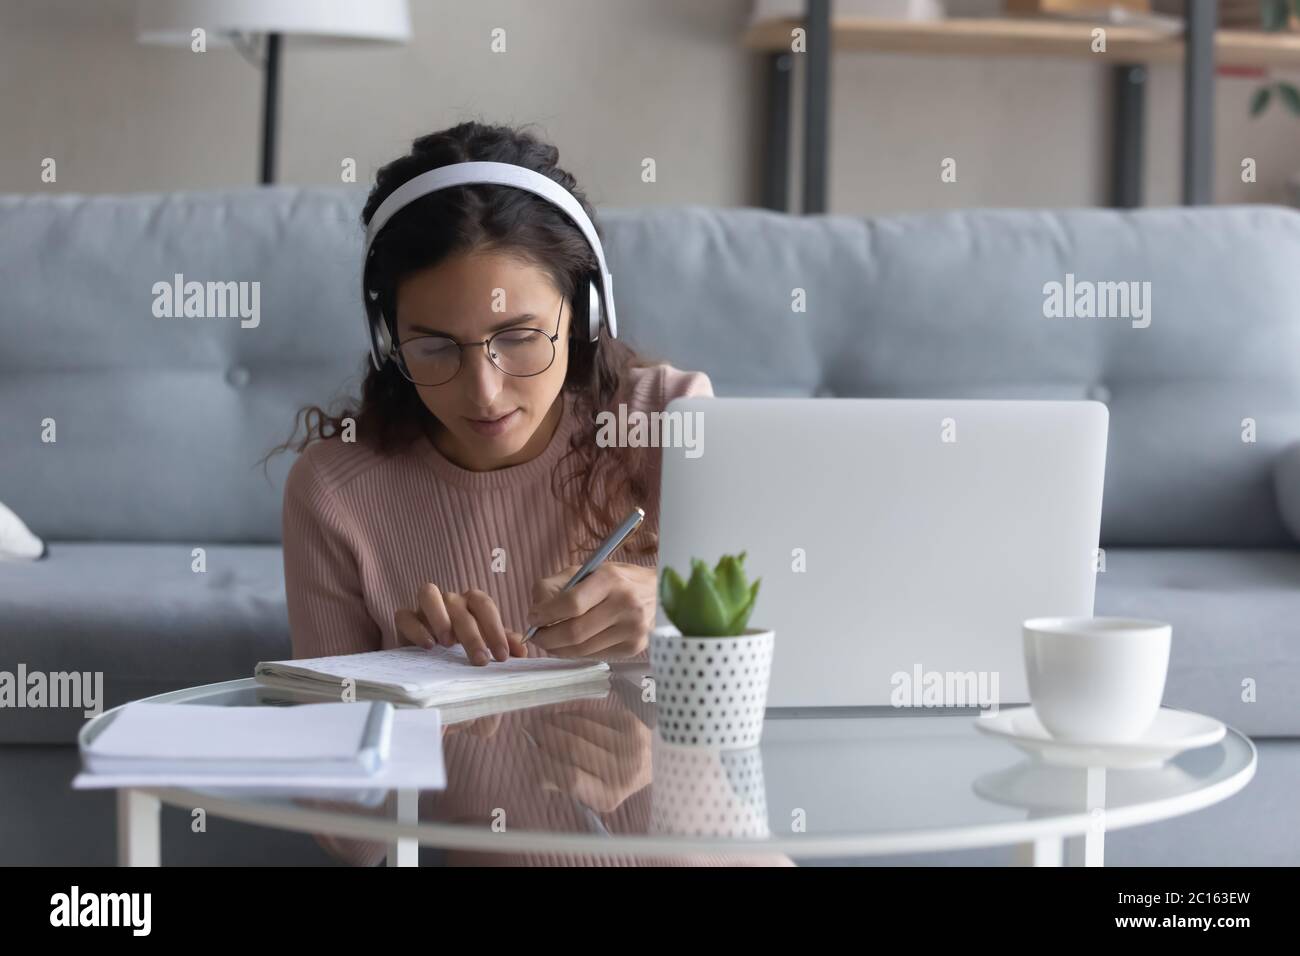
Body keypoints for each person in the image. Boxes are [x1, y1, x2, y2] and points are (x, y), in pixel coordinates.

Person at [265, 121, 792, 867]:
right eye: (435, 346)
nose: (483, 392)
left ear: (583, 312)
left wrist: (672, 605)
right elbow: (347, 838)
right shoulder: (338, 490)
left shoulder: (668, 423)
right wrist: (408, 711)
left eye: (518, 336)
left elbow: (816, 692)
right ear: (388, 340)